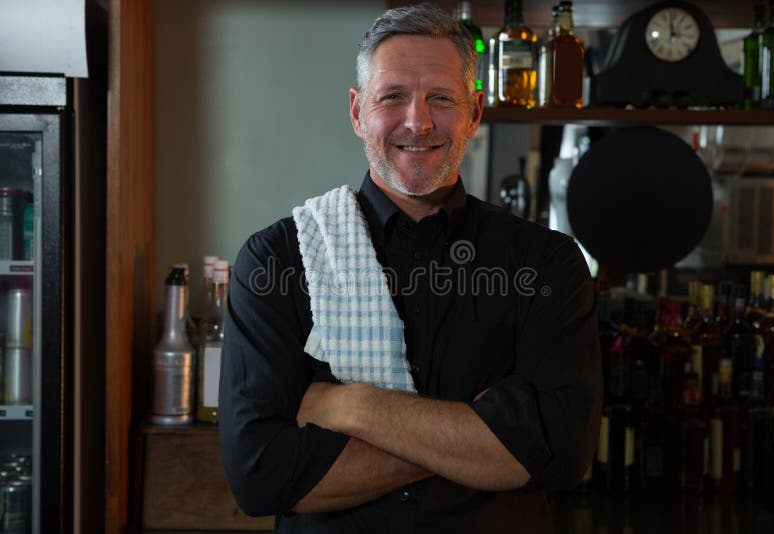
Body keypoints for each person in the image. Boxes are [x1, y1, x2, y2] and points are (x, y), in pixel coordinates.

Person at [219, 3, 601, 533]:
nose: (418, 122)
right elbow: (259, 476)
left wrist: (357, 409)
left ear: (474, 113)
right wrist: (479, 435)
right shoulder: (277, 260)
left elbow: (562, 453)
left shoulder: (547, 263)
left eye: (440, 98)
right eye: (392, 96)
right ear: (358, 112)